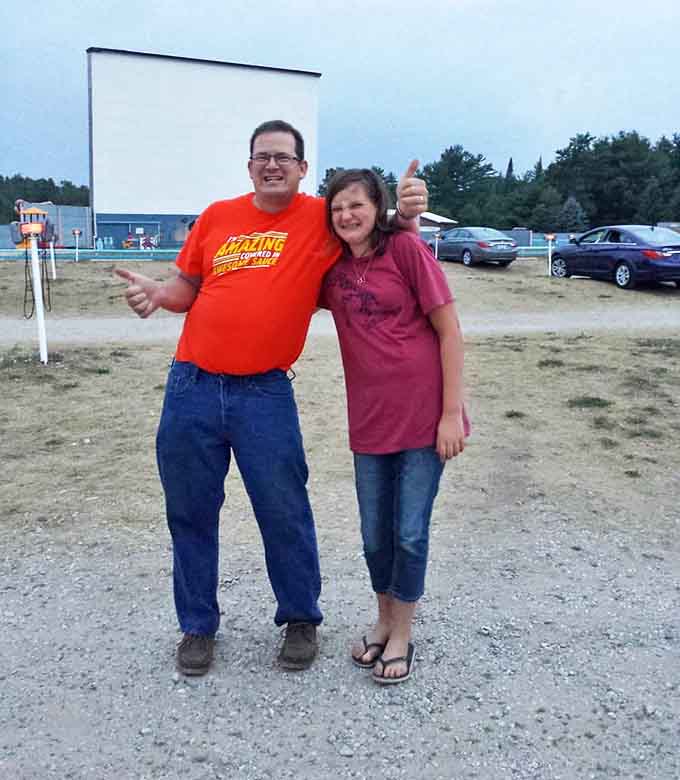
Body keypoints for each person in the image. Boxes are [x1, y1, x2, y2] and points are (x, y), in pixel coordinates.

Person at [115, 120, 429, 676]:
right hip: (192, 386)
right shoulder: (218, 216)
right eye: (263, 156)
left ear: (304, 169)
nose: (273, 165)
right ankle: (196, 626)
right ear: (250, 165)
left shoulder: (320, 218)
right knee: (189, 512)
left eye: (284, 156)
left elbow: (375, 232)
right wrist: (159, 294)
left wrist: (407, 212)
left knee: (283, 509)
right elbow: (187, 286)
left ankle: (301, 618)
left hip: (264, 392)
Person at [318, 168, 469, 685]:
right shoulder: (331, 271)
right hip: (370, 422)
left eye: (357, 205)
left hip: (426, 420)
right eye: (337, 207)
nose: (347, 215)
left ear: (376, 207)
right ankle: (383, 619)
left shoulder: (406, 253)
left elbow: (449, 331)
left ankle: (402, 632)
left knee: (408, 532)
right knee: (372, 536)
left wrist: (452, 413)